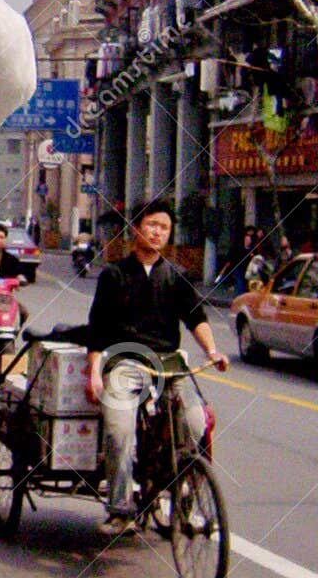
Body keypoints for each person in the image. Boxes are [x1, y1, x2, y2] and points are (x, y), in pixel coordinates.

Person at [85, 200, 229, 534]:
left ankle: (182, 497)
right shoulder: (113, 274)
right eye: (151, 225)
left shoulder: (177, 276)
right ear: (136, 229)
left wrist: (212, 350)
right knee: (119, 431)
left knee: (196, 426)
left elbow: (197, 318)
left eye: (164, 227)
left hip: (169, 366)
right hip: (126, 364)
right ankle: (121, 509)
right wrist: (94, 373)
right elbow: (97, 328)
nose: (157, 232)